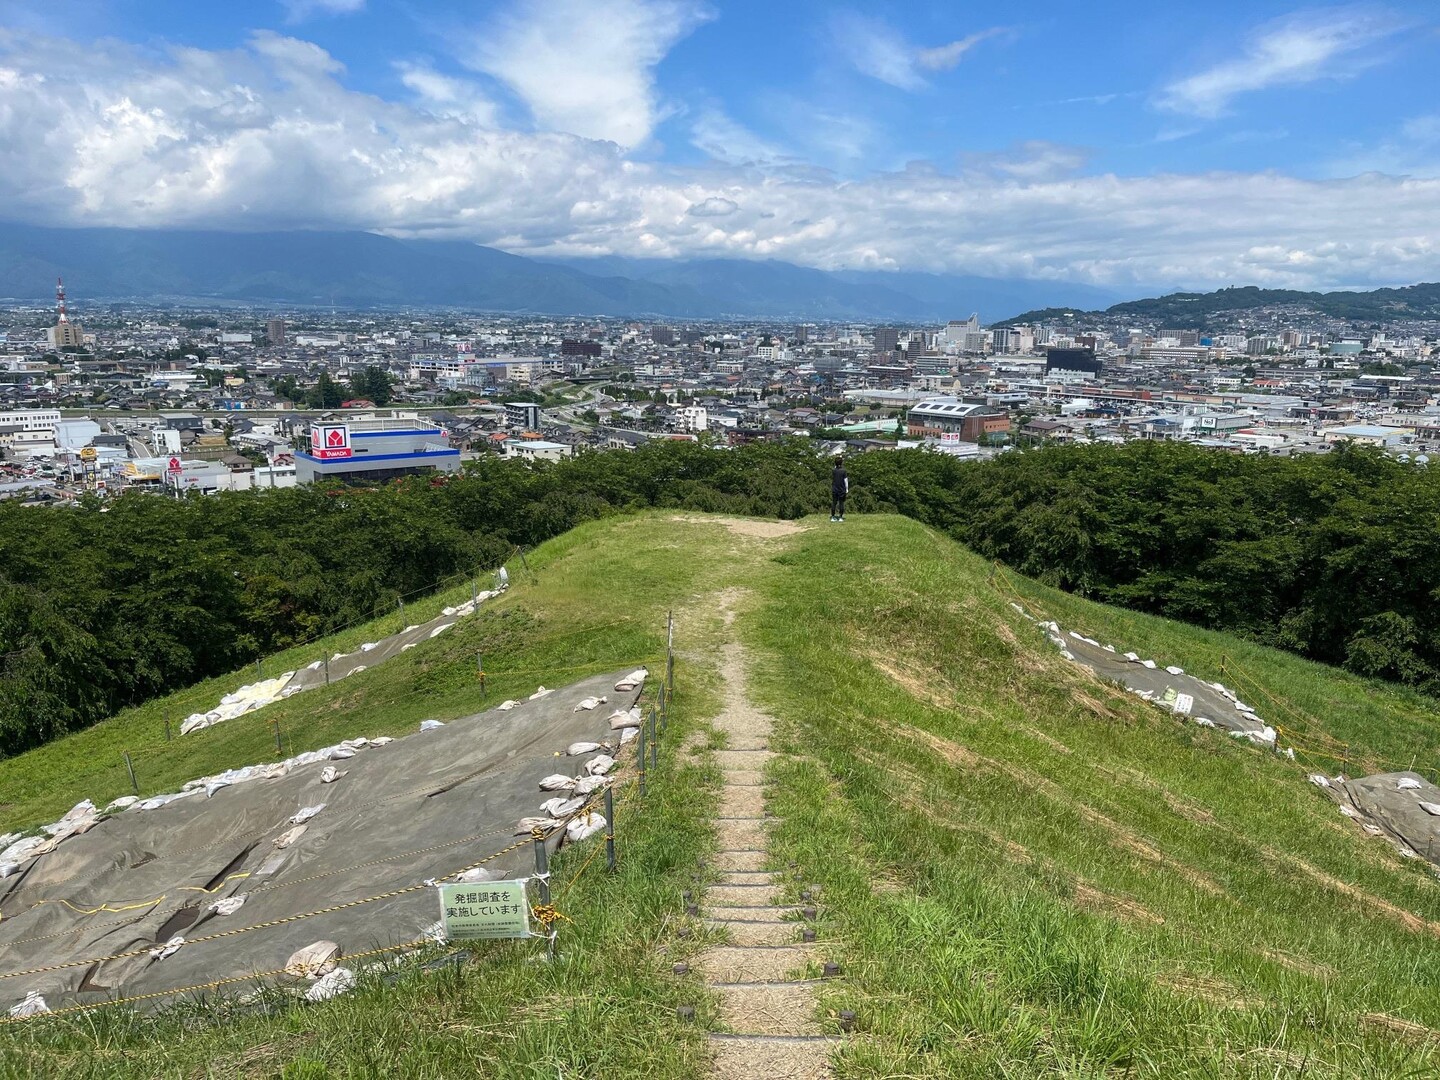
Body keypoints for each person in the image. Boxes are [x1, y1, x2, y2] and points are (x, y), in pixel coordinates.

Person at [830, 457, 849, 522]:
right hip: (842, 489)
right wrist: (847, 489)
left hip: (834, 489)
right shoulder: (844, 471)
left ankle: (832, 516)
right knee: (841, 503)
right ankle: (840, 517)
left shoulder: (833, 470)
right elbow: (845, 480)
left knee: (834, 503)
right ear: (842, 463)